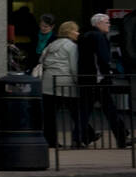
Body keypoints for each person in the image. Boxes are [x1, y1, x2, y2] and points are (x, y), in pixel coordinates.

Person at [77, 13, 128, 148]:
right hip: (99, 79)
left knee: (85, 110)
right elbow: (103, 57)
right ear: (98, 23)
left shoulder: (84, 36)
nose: (109, 24)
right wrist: (109, 71)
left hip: (87, 79)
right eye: (106, 22)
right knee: (110, 110)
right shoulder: (99, 36)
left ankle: (79, 138)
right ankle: (122, 137)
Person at [39, 20, 82, 148]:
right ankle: (84, 136)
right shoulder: (72, 46)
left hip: (47, 82)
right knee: (76, 111)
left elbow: (42, 59)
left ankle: (50, 140)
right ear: (70, 31)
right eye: (76, 30)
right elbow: (74, 66)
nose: (78, 33)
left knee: (49, 115)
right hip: (65, 81)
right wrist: (77, 81)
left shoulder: (52, 44)